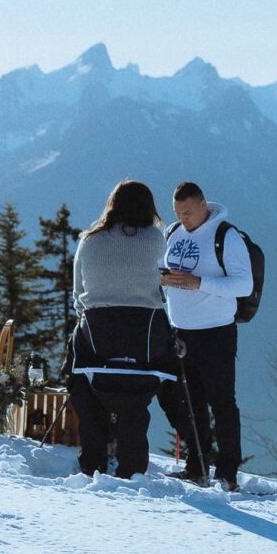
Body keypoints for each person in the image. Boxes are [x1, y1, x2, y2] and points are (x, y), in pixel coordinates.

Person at [67, 179, 179, 479]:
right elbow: (164, 283)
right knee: (135, 402)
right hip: (145, 335)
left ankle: (93, 458)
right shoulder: (156, 239)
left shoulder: (89, 240)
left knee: (85, 387)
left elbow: (79, 291)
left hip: (97, 332)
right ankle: (133, 466)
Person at [159, 180, 253, 491]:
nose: (183, 218)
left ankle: (227, 473)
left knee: (222, 403)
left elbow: (244, 285)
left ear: (203, 205)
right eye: (177, 213)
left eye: (187, 212)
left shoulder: (226, 236)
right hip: (180, 331)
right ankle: (196, 467)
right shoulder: (173, 233)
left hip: (216, 332)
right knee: (189, 403)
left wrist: (199, 283)